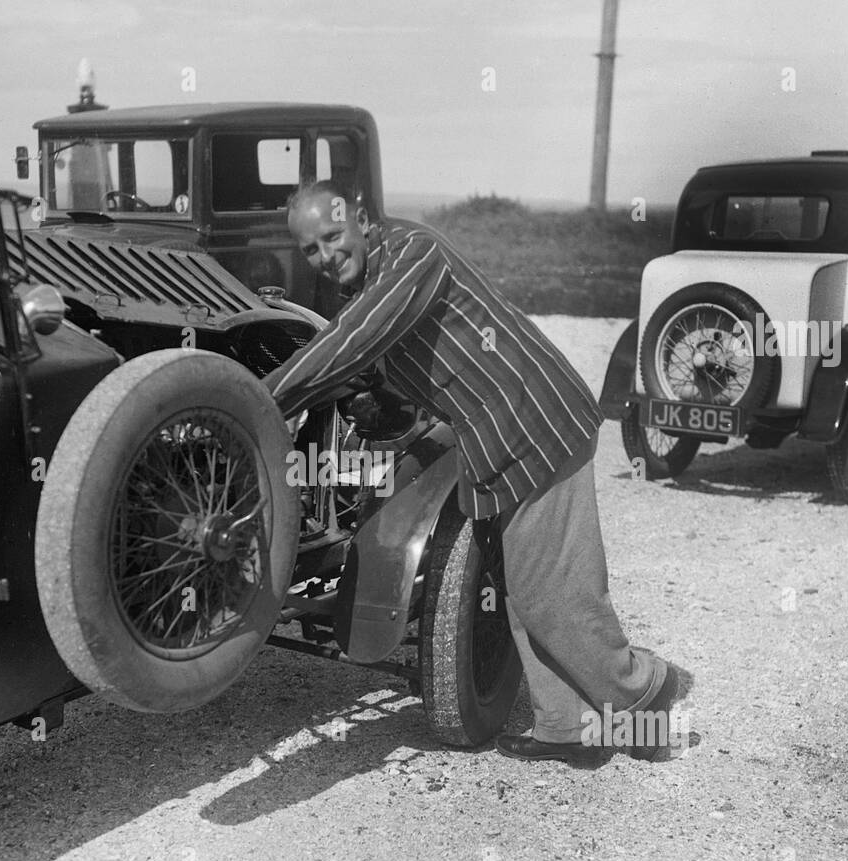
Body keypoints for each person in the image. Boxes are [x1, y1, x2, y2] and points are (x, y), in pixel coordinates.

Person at [263, 180, 679, 762]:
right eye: (311, 249)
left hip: (537, 421)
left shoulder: (414, 254)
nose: (327, 256)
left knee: (549, 590)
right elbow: (398, 393)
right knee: (517, 586)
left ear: (359, 216)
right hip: (499, 442)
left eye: (333, 236)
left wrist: (260, 397)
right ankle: (566, 725)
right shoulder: (371, 291)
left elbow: (354, 341)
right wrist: (373, 407)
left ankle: (647, 690)